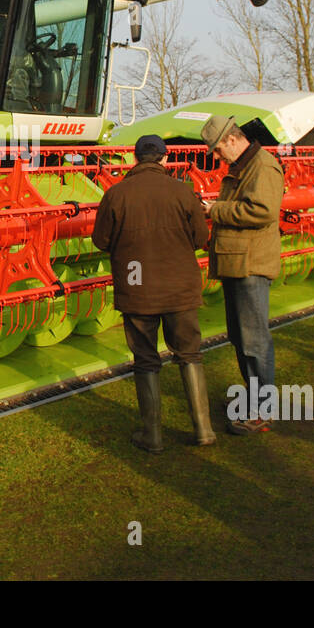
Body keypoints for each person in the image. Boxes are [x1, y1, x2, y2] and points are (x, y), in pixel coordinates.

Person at [92, 134, 216, 452]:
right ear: (164, 158)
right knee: (189, 353)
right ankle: (203, 430)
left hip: (137, 287)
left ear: (136, 159)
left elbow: (101, 240)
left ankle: (153, 436)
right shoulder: (183, 192)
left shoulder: (116, 194)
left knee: (146, 359)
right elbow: (201, 237)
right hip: (180, 287)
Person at [197, 115, 284, 434]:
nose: (218, 158)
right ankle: (254, 398)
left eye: (218, 151)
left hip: (250, 264)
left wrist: (214, 210)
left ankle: (263, 408)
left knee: (254, 340)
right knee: (242, 337)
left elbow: (262, 211)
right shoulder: (247, 166)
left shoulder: (262, 166)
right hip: (239, 261)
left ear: (232, 140)